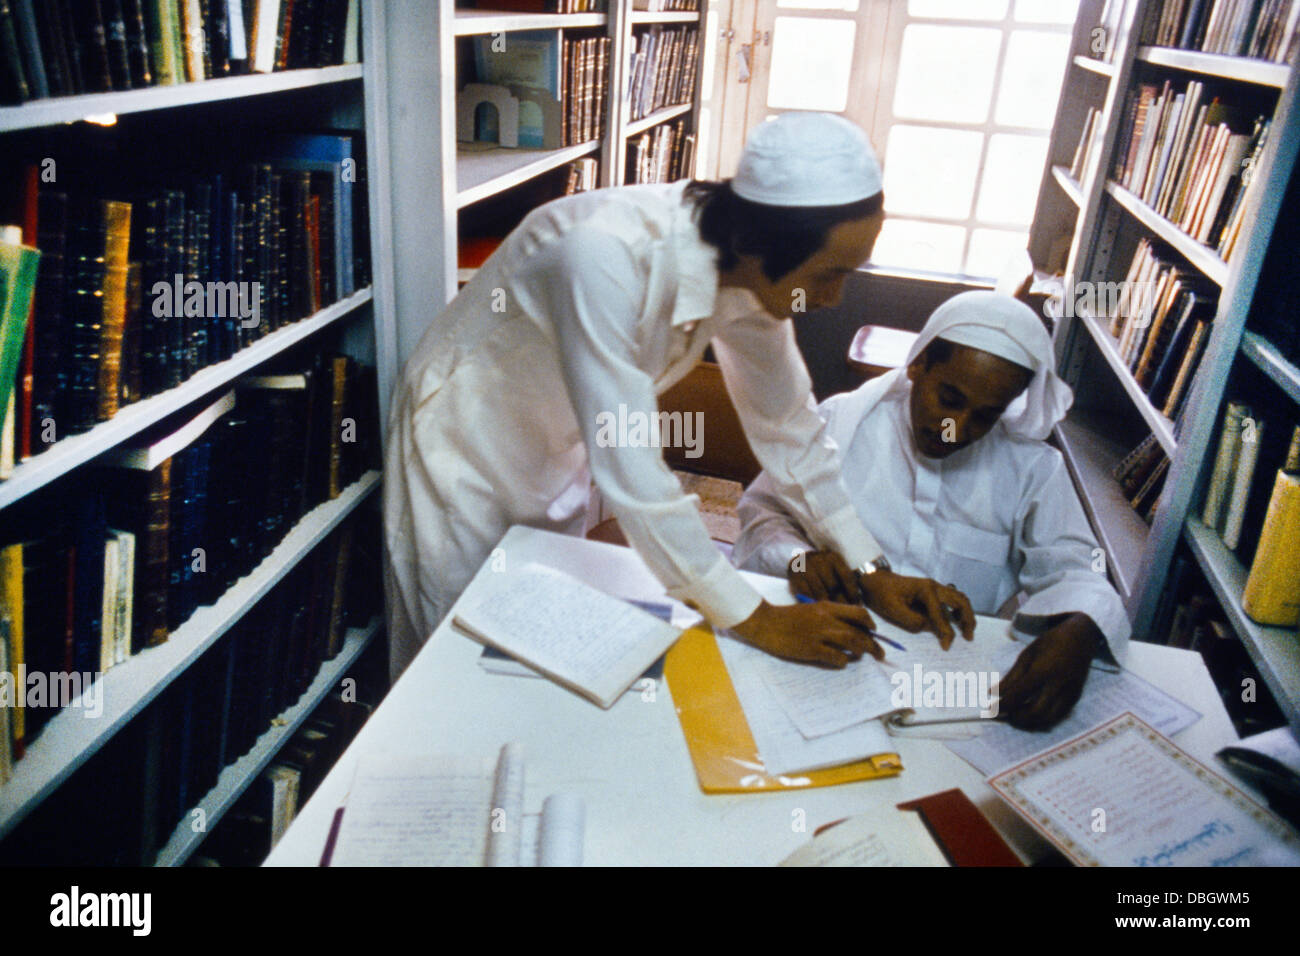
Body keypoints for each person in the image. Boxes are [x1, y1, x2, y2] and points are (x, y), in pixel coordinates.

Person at [383, 112, 969, 680]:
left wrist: (869, 566)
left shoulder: (750, 273)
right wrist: (757, 620)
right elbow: (634, 466)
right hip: (462, 449)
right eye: (826, 275)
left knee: (529, 657)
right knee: (453, 666)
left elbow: (789, 427)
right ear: (756, 242)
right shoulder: (601, 254)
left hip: (553, 448)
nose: (835, 298)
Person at [731, 290, 1131, 729]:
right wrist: (797, 558)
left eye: (986, 415)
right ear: (918, 365)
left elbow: (1079, 570)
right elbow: (761, 511)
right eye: (950, 399)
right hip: (820, 658)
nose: (956, 430)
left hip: (947, 692)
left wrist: (1079, 630)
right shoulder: (842, 425)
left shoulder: (1033, 470)